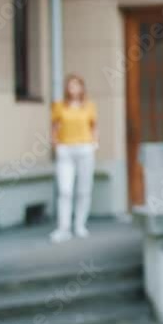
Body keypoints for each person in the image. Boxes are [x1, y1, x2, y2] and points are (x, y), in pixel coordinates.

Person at [49, 73, 98, 243]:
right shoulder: (60, 106)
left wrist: (94, 143)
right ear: (66, 88)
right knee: (65, 190)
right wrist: (56, 146)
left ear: (82, 88)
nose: (74, 89)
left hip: (85, 149)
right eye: (71, 85)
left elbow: (93, 126)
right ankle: (63, 228)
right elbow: (54, 128)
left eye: (77, 85)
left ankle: (79, 225)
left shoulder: (89, 106)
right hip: (66, 150)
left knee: (84, 190)